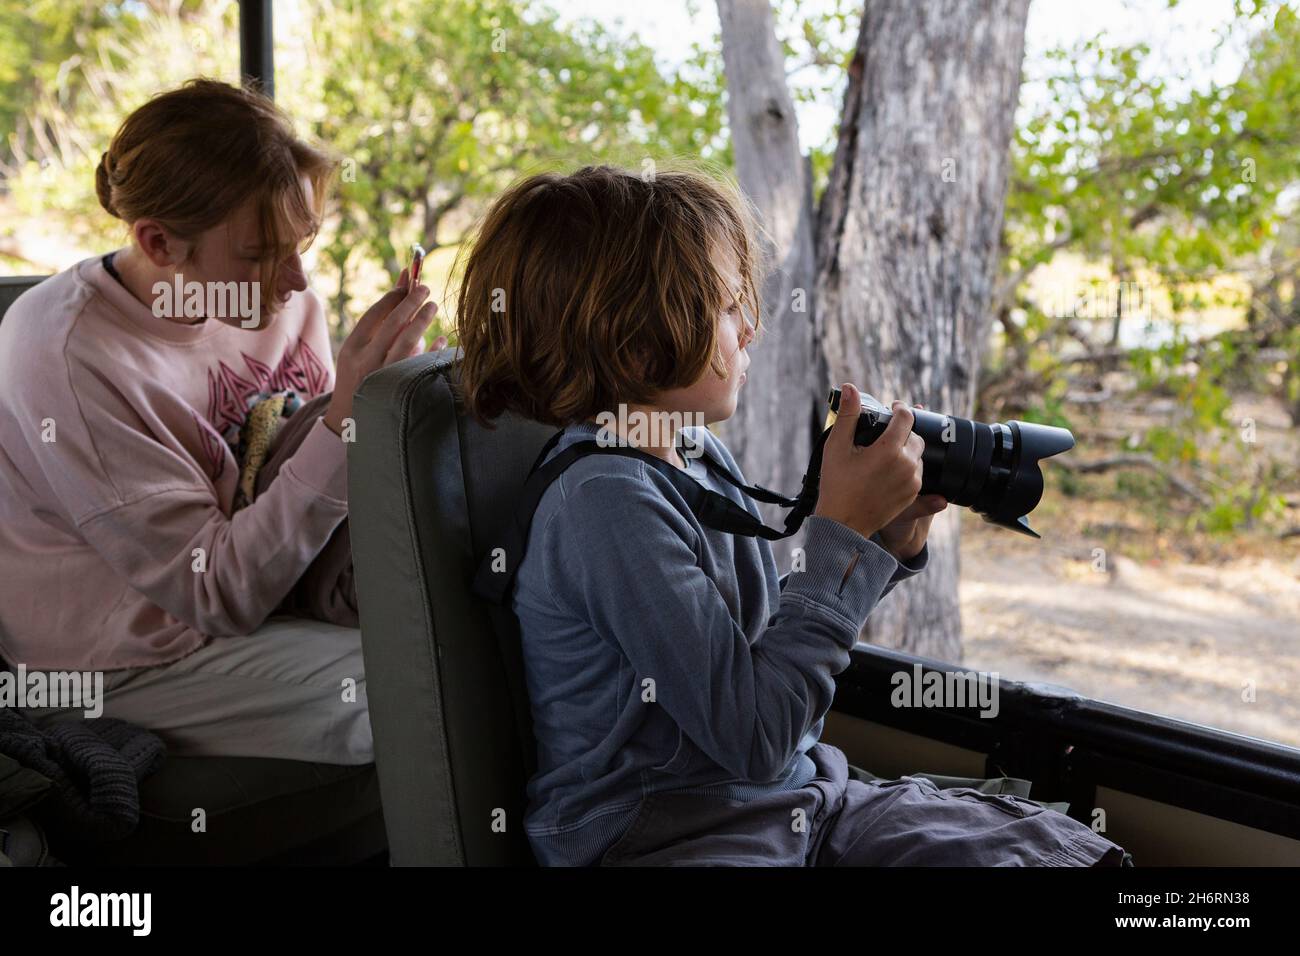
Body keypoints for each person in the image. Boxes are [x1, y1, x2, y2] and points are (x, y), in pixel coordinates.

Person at [456, 164, 1128, 866]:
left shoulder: (693, 451)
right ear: (633, 339)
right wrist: (840, 538)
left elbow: (750, 651)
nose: (752, 327)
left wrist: (883, 542)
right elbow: (752, 733)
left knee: (1050, 853)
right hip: (666, 834)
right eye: (726, 306)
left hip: (787, 801)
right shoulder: (604, 503)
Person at [0, 79, 441, 765]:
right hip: (126, 654)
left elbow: (307, 509)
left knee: (482, 639)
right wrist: (346, 420)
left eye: (303, 243)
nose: (296, 282)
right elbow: (215, 592)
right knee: (424, 693)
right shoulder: (69, 353)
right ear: (159, 242)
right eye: (260, 255)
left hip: (270, 594)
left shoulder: (282, 304)